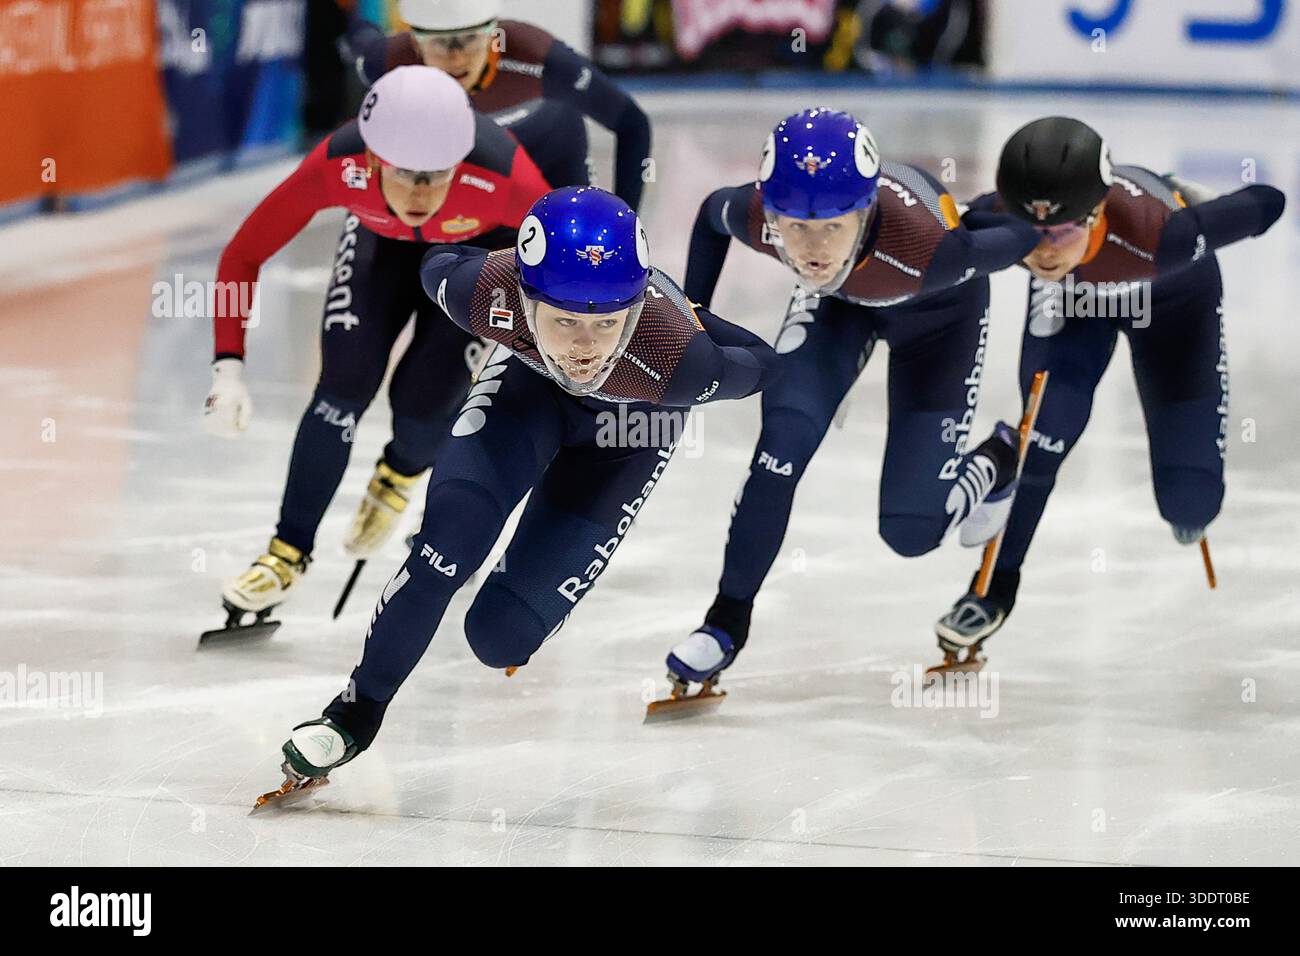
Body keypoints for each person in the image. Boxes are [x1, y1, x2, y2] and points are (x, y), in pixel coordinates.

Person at [255, 186, 780, 800]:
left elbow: (762, 361)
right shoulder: (484, 291)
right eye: (563, 322)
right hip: (524, 399)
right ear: (525, 301)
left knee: (499, 637)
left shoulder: (680, 358)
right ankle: (353, 713)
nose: (585, 349)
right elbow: (435, 262)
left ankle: (523, 584)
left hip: (631, 432)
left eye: (606, 324)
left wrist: (688, 310)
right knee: (446, 545)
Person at [660, 107, 1045, 696]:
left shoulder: (933, 249)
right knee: (779, 449)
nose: (812, 249)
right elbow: (713, 214)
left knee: (912, 531)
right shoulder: (759, 214)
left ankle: (997, 458)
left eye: (833, 227)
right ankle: (725, 622)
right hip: (836, 308)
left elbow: (1024, 232)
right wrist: (694, 319)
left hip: (939, 317)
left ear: (865, 213)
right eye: (796, 227)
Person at [201, 66, 550, 629]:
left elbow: (570, 270)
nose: (420, 195)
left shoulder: (505, 177)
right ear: (368, 163)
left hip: (469, 258)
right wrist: (228, 368)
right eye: (405, 175)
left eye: (437, 176)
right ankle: (286, 552)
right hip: (376, 251)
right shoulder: (336, 165)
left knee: (423, 405)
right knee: (341, 387)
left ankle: (401, 470)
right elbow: (243, 254)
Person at [934, 116, 1286, 656]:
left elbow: (1269, 200)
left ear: (1096, 212)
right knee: (1043, 432)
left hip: (1173, 302)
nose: (1044, 252)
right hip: (1076, 305)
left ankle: (1189, 507)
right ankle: (992, 589)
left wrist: (1197, 204)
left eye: (1062, 232)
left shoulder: (1166, 234)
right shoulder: (996, 216)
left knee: (1190, 504)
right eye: (1031, 234)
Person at [345, 0, 651, 209]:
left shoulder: (536, 56)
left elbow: (633, 124)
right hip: (465, 163)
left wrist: (625, 219)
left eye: (470, 39)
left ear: (493, 35)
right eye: (440, 42)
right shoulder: (385, 61)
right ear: (415, 43)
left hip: (551, 151)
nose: (456, 57)